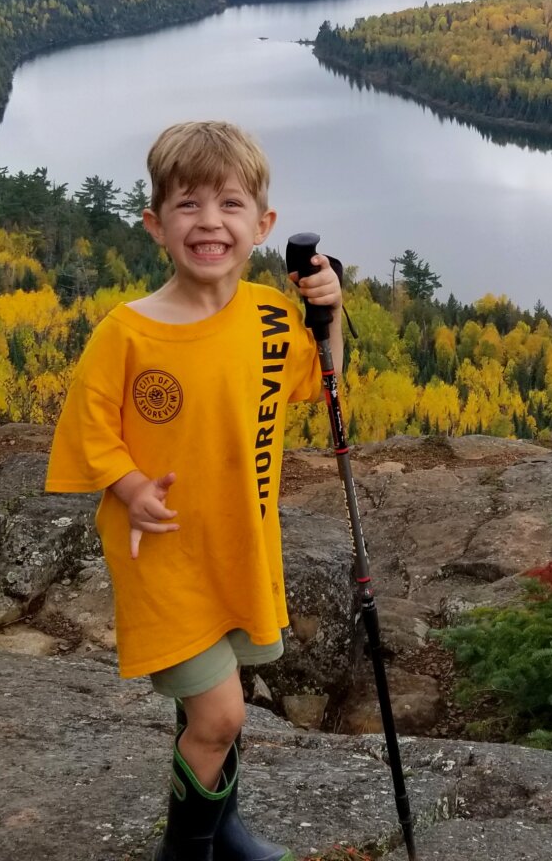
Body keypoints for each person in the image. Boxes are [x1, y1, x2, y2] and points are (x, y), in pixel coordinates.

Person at [47, 120, 343, 861]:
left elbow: (324, 381)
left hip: (239, 548)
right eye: (187, 206)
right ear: (155, 224)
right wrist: (130, 485)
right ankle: (185, 853)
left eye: (231, 205)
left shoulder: (274, 319)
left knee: (223, 703)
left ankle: (226, 831)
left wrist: (330, 312)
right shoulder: (129, 333)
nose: (210, 222)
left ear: (262, 225)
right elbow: (88, 432)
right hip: (166, 555)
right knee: (219, 716)